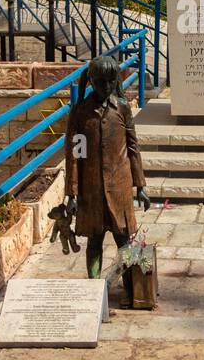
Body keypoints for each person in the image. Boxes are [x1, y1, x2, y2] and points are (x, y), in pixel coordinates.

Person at [64, 55, 150, 301]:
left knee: (125, 241)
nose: (106, 87)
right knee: (94, 240)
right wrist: (72, 192)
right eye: (101, 82)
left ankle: (131, 288)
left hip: (120, 186)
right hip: (91, 190)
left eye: (111, 81)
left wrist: (140, 185)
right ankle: (94, 290)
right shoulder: (80, 112)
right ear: (91, 80)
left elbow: (133, 147)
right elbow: (73, 154)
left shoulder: (122, 108)